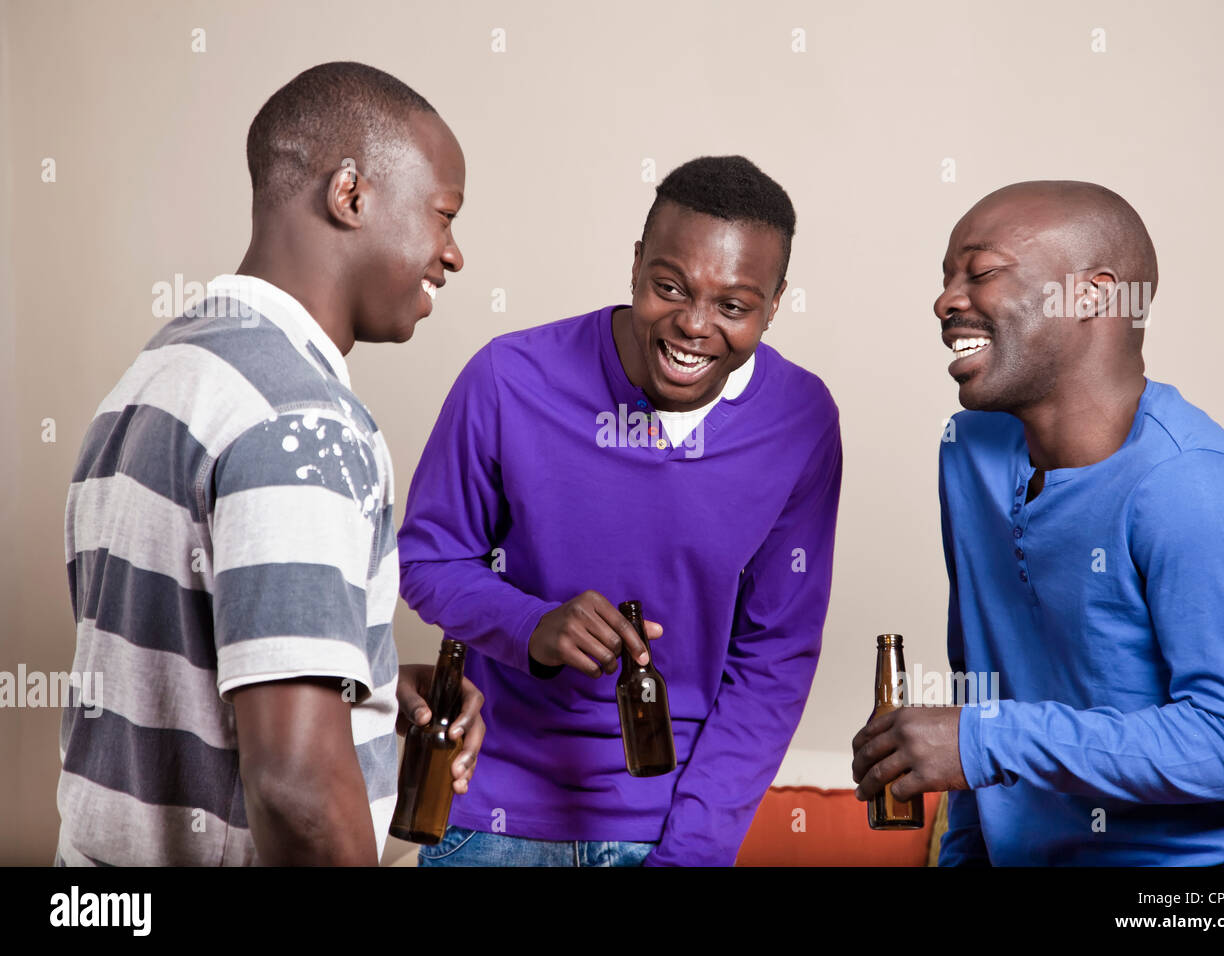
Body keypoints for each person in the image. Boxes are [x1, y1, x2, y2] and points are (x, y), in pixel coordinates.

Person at [56, 61, 485, 865]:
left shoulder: (159, 375)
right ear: (351, 195)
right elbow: (295, 783)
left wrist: (361, 680)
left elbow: (183, 659)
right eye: (443, 216)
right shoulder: (303, 422)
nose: (452, 255)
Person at [398, 155, 842, 866]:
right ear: (636, 263)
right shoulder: (509, 378)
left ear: (776, 301)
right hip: (493, 822)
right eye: (669, 287)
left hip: (667, 829)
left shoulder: (800, 419)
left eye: (734, 306)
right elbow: (427, 559)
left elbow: (774, 655)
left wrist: (692, 852)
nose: (694, 325)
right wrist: (533, 624)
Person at [851, 180, 1224, 865]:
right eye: (946, 278)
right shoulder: (969, 453)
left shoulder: (1196, 487)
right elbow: (983, 679)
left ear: (1092, 294)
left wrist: (983, 738)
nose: (945, 301)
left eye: (982, 271)